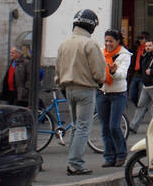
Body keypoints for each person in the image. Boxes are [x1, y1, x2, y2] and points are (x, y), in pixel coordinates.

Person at [55, 9, 107, 175]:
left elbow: (58, 69)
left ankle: (72, 160)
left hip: (68, 89)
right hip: (85, 89)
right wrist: (100, 81)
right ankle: (75, 164)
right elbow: (99, 71)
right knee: (84, 128)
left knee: (76, 127)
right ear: (91, 26)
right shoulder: (89, 44)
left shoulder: (64, 44)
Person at [98, 29, 131, 167]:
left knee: (114, 126)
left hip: (118, 94)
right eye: (106, 41)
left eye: (111, 41)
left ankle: (121, 154)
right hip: (102, 92)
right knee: (105, 127)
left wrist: (113, 71)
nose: (108, 44)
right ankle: (109, 156)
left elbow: (122, 75)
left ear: (118, 41)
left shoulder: (124, 55)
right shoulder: (100, 52)